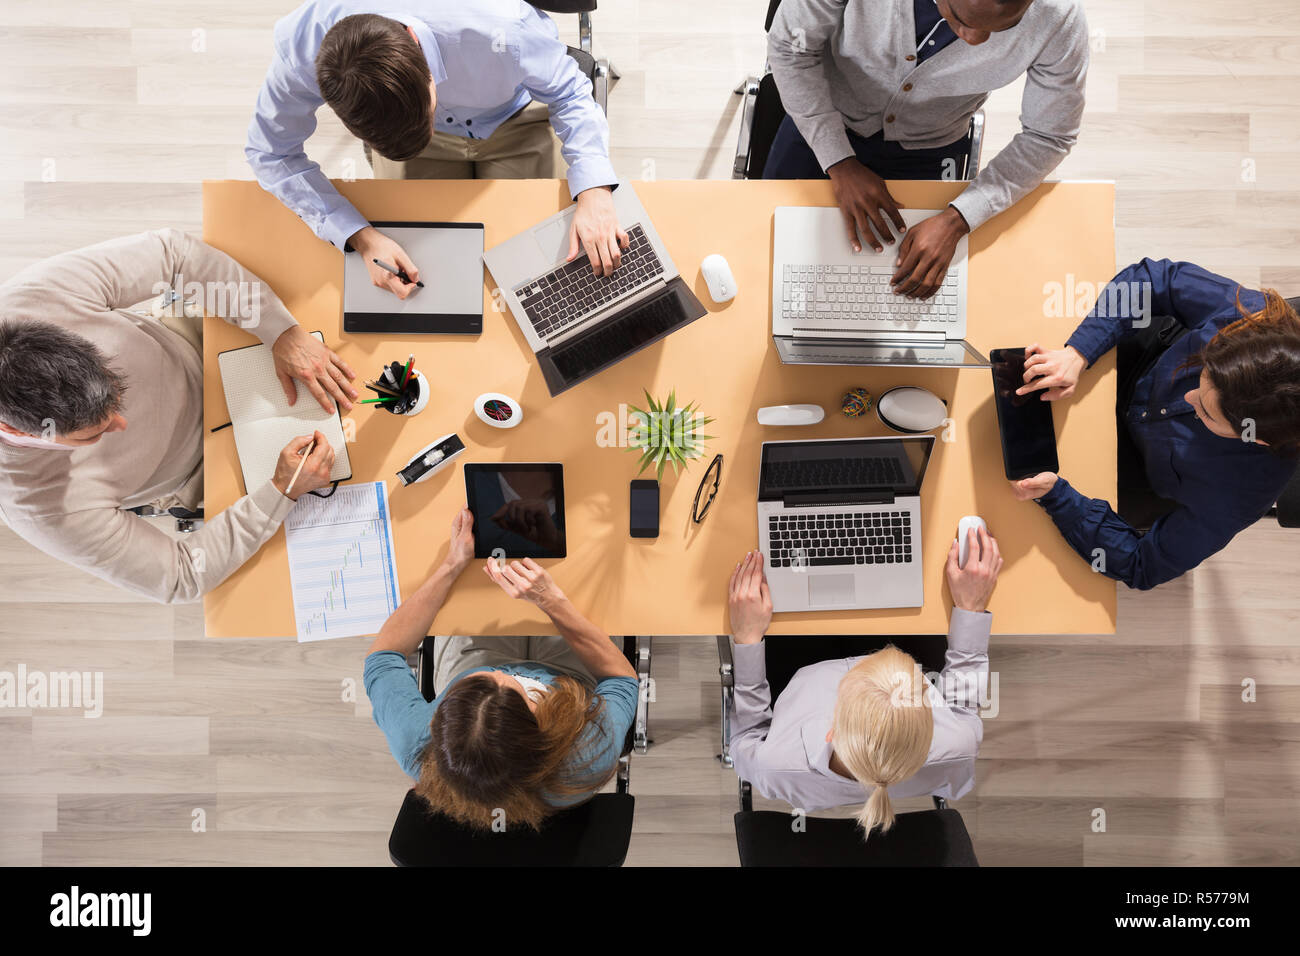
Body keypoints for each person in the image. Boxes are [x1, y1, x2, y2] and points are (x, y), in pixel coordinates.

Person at [0, 229, 355, 603]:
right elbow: (182, 576)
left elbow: (174, 256)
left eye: (117, 392)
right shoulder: (40, 507)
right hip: (203, 467)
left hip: (199, 346)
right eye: (94, 433)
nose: (121, 423)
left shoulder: (34, 298)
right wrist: (280, 492)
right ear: (15, 430)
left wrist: (281, 332)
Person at [246, 1, 626, 301]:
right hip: (412, 146)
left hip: (516, 121)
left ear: (429, 71)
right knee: (425, 269)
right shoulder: (302, 46)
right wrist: (358, 234)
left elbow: (570, 92)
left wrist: (594, 191)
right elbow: (270, 153)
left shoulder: (502, 28)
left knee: (540, 261)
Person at [765, 0, 1088, 299]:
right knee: (775, 273)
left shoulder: (1058, 17)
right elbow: (789, 49)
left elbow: (1049, 135)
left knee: (905, 291)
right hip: (825, 120)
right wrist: (838, 160)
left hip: (933, 143)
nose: (974, 40)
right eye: (961, 20)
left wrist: (959, 218)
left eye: (1002, 27)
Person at [1010, 259, 1300, 590]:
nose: (1189, 399)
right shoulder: (1248, 318)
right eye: (1202, 373)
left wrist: (1058, 497)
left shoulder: (1243, 493)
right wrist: (1079, 353)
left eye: (1206, 412)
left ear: (1257, 439)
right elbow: (1152, 279)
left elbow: (1141, 564)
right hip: (1135, 362)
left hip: (1139, 466)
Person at [363, 508, 638, 830]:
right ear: (539, 722)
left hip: (472, 659)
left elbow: (383, 655)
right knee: (590, 560)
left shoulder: (417, 745)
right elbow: (621, 679)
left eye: (484, 682)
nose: (502, 672)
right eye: (509, 684)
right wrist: (551, 601)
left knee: (475, 582)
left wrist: (452, 565)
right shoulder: (587, 754)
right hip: (571, 680)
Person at [727, 527, 1001, 835]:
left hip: (796, 668)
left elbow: (743, 740)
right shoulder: (958, 748)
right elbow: (962, 705)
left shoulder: (775, 764)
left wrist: (747, 638)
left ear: (830, 730)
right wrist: (971, 609)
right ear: (930, 730)